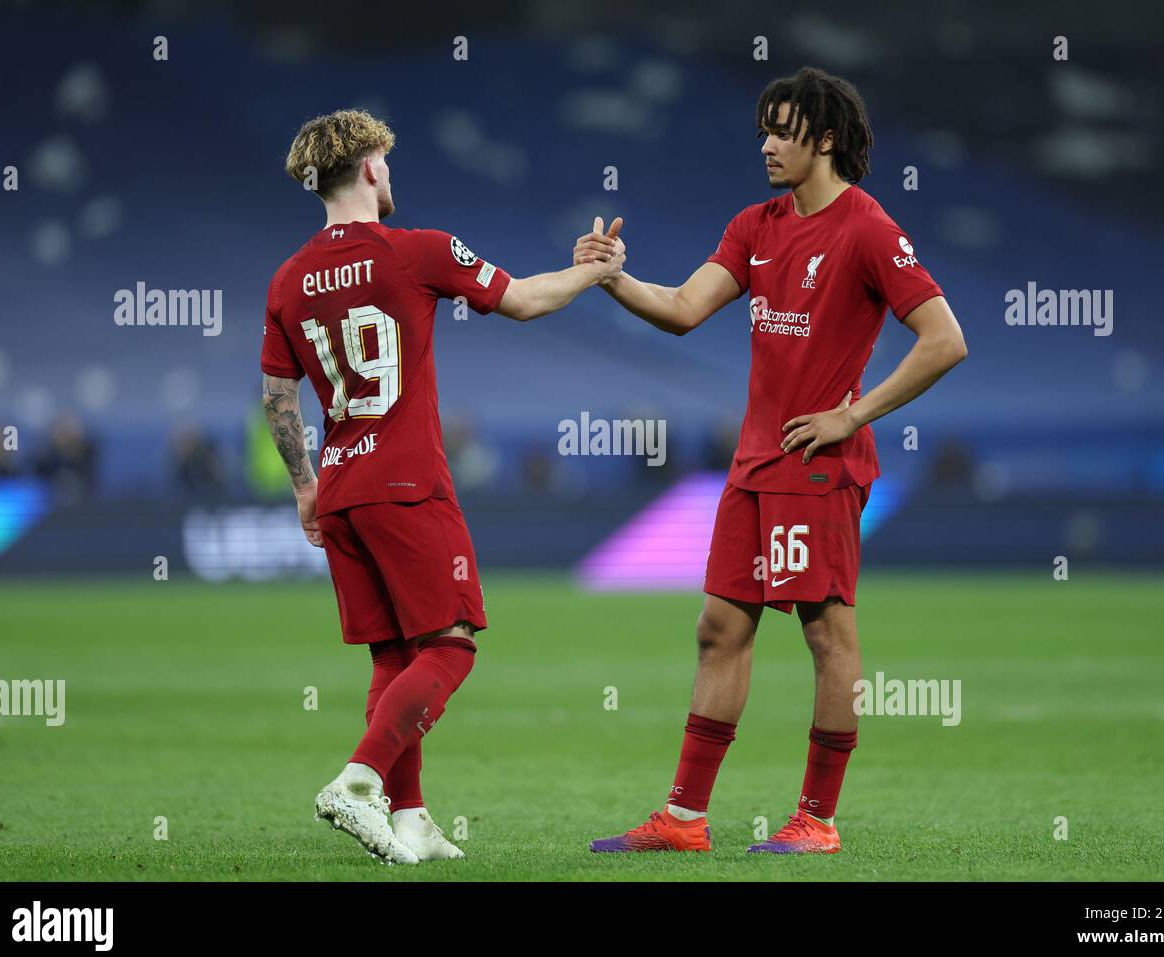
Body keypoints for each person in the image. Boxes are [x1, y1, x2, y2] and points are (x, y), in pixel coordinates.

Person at [575, 68, 967, 855]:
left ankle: (817, 820)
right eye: (764, 129)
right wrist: (611, 277)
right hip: (753, 465)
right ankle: (685, 818)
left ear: (825, 139)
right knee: (719, 627)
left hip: (820, 464)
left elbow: (946, 339)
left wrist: (851, 413)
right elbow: (684, 307)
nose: (766, 144)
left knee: (828, 633)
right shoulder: (757, 225)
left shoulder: (869, 230)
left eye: (783, 130)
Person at [261, 109, 622, 864]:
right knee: (452, 646)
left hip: (339, 487)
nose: (390, 173)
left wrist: (303, 488)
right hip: (407, 481)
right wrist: (597, 269)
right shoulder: (416, 251)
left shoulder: (288, 279)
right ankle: (359, 781)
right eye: (385, 162)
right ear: (366, 169)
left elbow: (278, 397)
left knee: (394, 656)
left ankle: (413, 817)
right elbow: (523, 299)